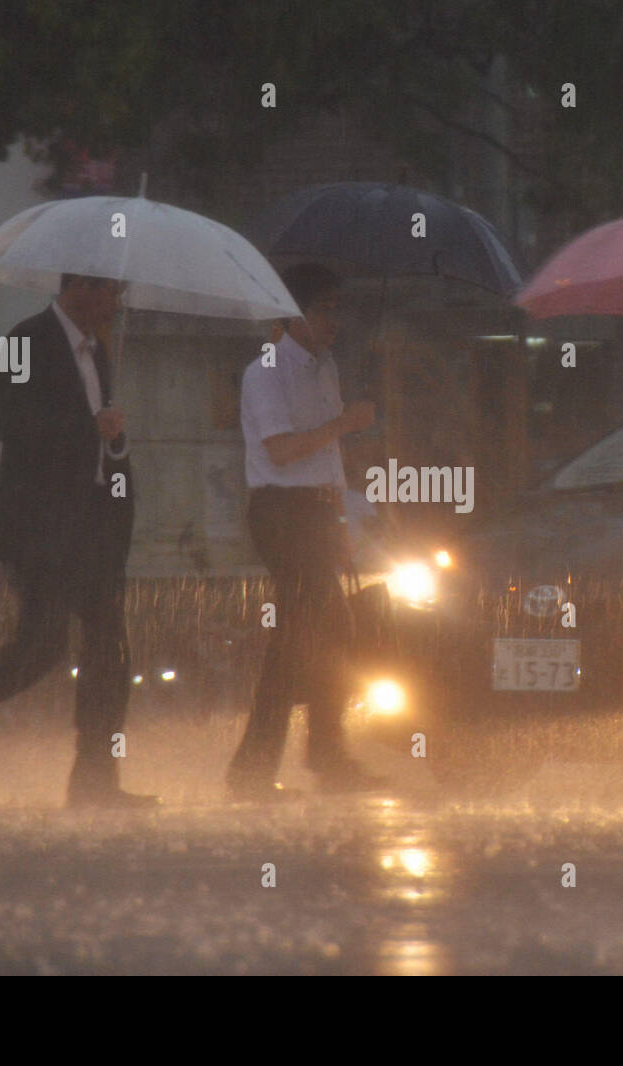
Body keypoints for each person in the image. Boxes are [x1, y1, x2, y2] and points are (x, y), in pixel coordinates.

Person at [0, 274, 159, 809]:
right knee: (40, 650)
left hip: (91, 529)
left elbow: (102, 439)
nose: (116, 304)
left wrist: (113, 443)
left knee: (109, 648)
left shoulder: (98, 353)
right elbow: (12, 425)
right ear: (81, 287)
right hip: (41, 530)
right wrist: (91, 427)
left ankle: (95, 778)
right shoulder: (27, 339)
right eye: (110, 292)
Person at [227, 262, 382, 800]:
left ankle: (280, 760)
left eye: (339, 309)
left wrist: (341, 517)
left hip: (317, 512)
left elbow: (328, 458)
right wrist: (347, 423)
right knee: (322, 627)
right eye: (323, 309)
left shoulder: (326, 366)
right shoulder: (266, 369)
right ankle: (317, 754)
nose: (334, 320)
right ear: (295, 314)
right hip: (281, 512)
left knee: (301, 636)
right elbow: (283, 449)